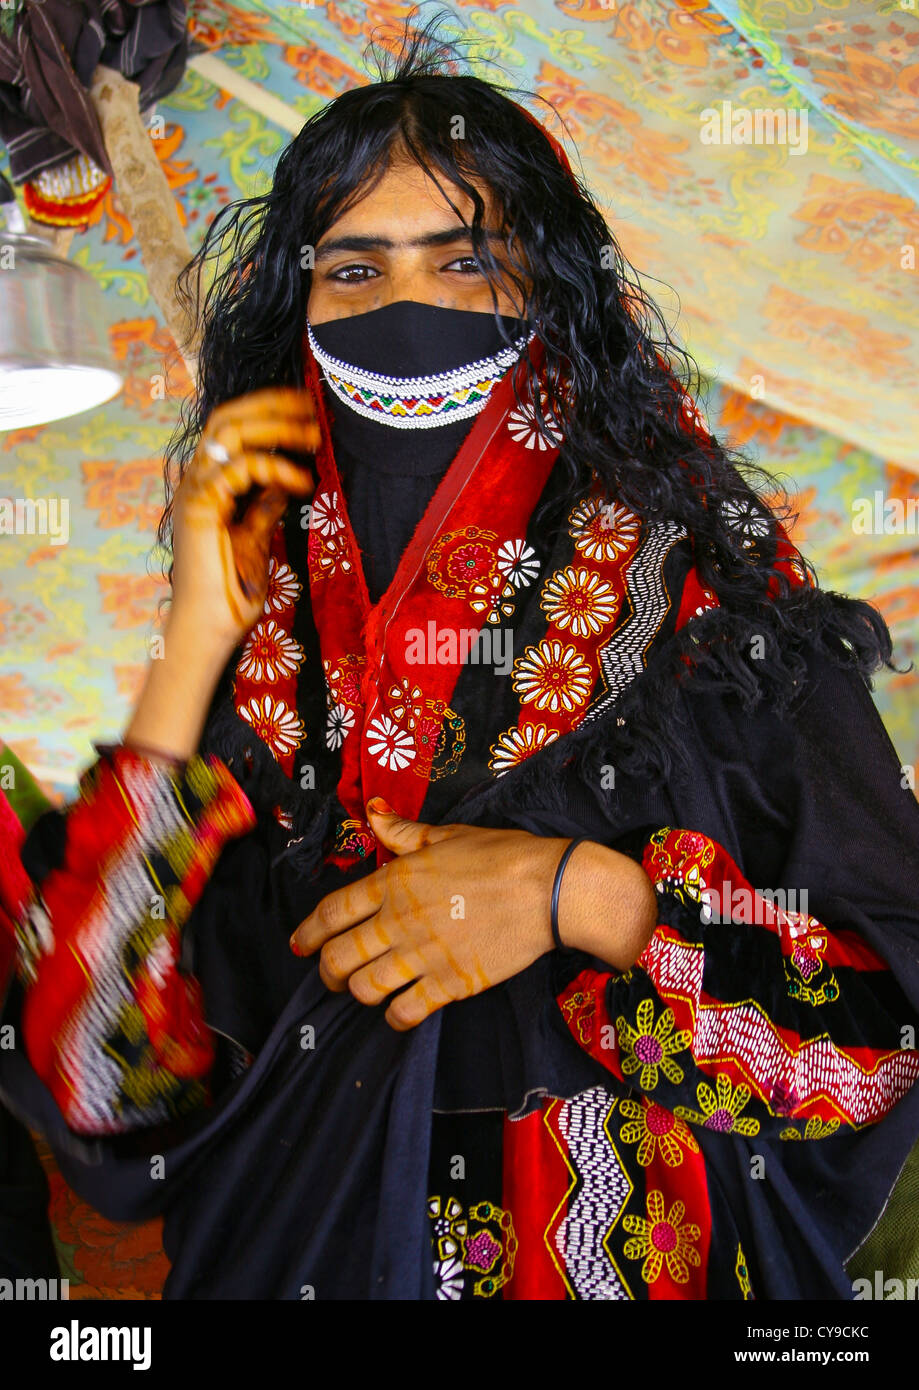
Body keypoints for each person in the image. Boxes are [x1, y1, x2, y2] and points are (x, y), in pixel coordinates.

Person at [1, 22, 918, 1301]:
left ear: (554, 294)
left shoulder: (707, 620)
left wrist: (576, 897)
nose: (408, 309)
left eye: (469, 261)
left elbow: (878, 1037)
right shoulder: (254, 651)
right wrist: (195, 643)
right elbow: (102, 1090)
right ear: (297, 310)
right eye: (355, 271)